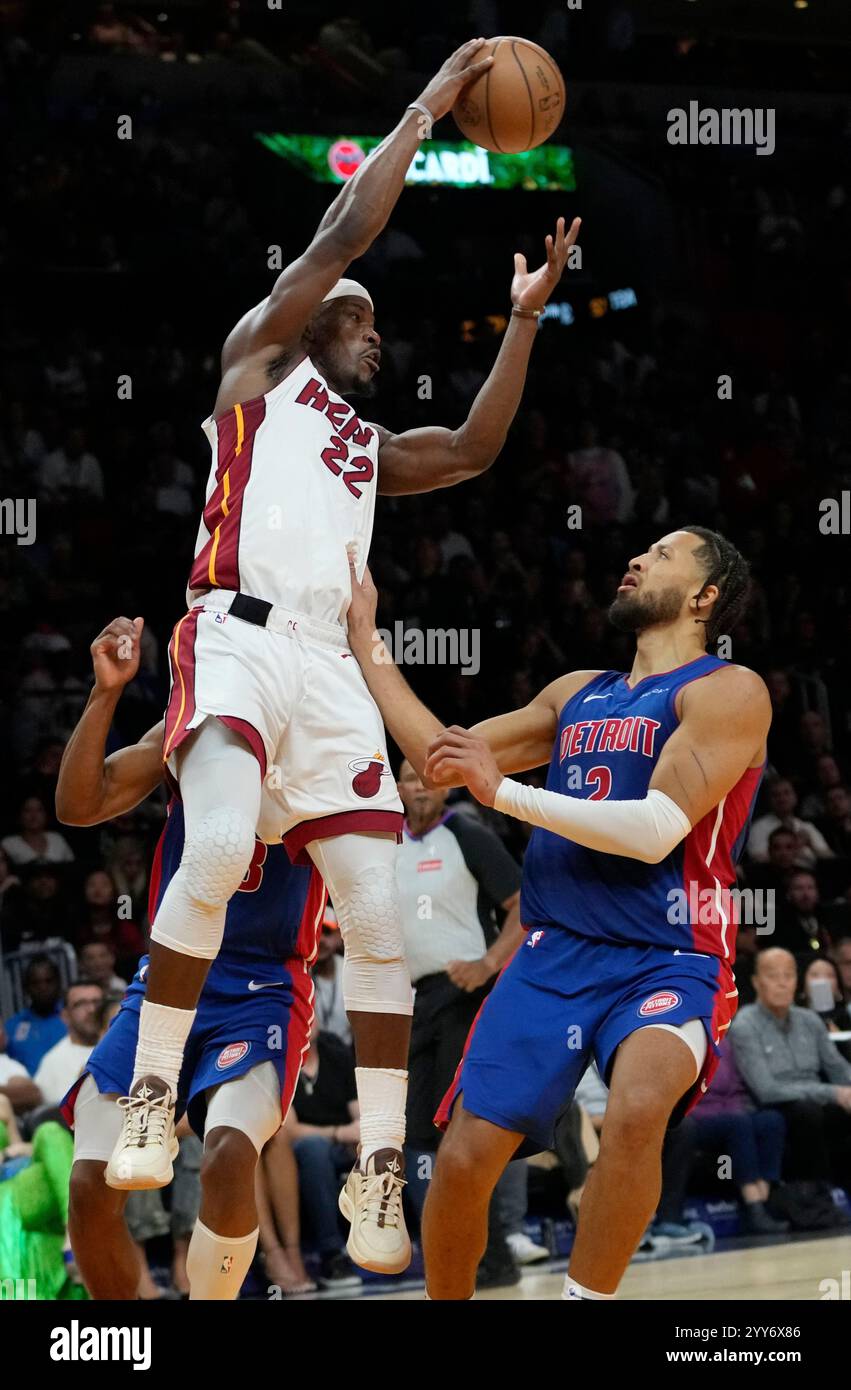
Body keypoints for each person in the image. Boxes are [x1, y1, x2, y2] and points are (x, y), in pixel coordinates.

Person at [105, 35, 582, 1285]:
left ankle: (378, 1171)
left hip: (327, 666)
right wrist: (427, 104)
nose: (374, 335)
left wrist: (526, 320)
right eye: (359, 321)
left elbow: (474, 448)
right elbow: (343, 239)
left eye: (373, 327)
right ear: (308, 318)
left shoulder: (366, 447)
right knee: (212, 847)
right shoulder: (253, 369)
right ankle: (153, 1085)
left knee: (372, 913)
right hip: (235, 630)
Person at [347, 524, 769, 1300]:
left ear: (706, 596)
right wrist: (366, 640)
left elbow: (652, 832)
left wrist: (501, 792)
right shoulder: (576, 692)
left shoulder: (727, 691)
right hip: (550, 956)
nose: (637, 558)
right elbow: (441, 755)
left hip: (666, 954)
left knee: (639, 1108)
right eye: (639, 550)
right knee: (466, 1158)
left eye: (664, 555)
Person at [56, 615, 326, 1300]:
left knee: (230, 1154)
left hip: (263, 986)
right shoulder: (191, 727)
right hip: (167, 981)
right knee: (90, 1183)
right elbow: (79, 803)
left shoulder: (331, 729)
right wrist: (104, 694)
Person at [393, 760, 536, 1276]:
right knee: (414, 1134)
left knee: (462, 1130)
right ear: (399, 787)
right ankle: (447, 1256)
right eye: (410, 778)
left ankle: (494, 1259)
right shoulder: (387, 844)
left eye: (429, 779)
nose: (420, 788)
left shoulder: (466, 833)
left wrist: (489, 963)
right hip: (412, 1001)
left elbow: (523, 904)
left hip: (465, 995)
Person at [730, 949, 851, 1185]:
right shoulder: (745, 1025)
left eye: (789, 976)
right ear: (756, 982)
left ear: (797, 980)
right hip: (773, 1103)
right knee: (809, 1112)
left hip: (815, 1098)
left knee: (834, 1110)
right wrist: (834, 1093)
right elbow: (766, 1090)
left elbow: (838, 1069)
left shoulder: (810, 1020)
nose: (782, 984)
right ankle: (815, 1192)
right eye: (773, 976)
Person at [688, 1044, 788, 1234]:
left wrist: (738, 1109)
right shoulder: (686, 1044)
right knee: (738, 1124)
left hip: (733, 1111)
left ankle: (764, 1197)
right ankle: (753, 1202)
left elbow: (737, 1088)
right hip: (698, 1117)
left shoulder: (726, 1044)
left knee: (771, 1121)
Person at [33, 980, 104, 1106]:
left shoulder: (125, 1048)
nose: (92, 1009)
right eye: (80, 1004)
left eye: (97, 1002)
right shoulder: (53, 1062)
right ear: (65, 1016)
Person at [4, 954, 67, 1075]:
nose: (43, 987)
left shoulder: (71, 1021)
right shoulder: (12, 1027)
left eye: (48, 981)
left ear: (59, 983)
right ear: (26, 988)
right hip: (27, 1091)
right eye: (35, 983)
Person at [1, 794, 74, 868]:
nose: (34, 815)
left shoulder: (57, 839)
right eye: (27, 810)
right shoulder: (8, 844)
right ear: (20, 815)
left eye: (39, 810)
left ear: (46, 814)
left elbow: (72, 867)